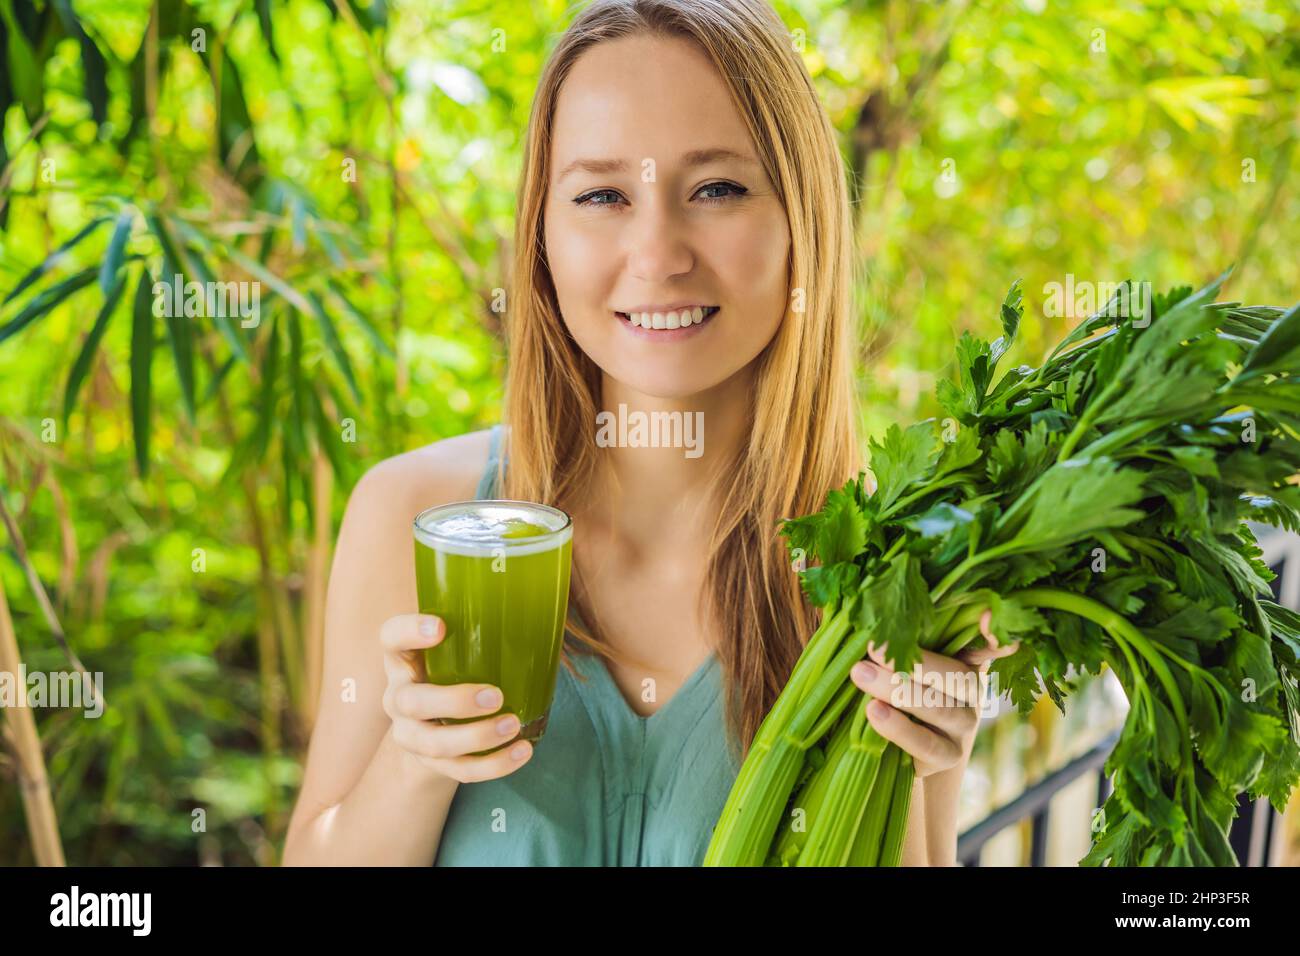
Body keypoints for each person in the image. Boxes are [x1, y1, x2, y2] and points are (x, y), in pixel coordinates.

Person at [281, 0, 1016, 867]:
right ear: (543, 239)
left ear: (801, 222)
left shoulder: (900, 565)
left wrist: (935, 758)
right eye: (601, 195)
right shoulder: (412, 515)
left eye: (716, 189)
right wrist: (416, 762)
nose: (658, 252)